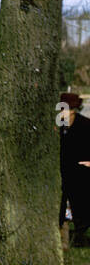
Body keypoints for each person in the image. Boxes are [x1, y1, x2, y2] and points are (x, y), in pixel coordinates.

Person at [59, 92, 90, 247]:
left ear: (73, 110)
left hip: (82, 172)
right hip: (63, 172)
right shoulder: (58, 126)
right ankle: (64, 237)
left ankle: (81, 236)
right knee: (62, 203)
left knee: (82, 204)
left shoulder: (85, 124)